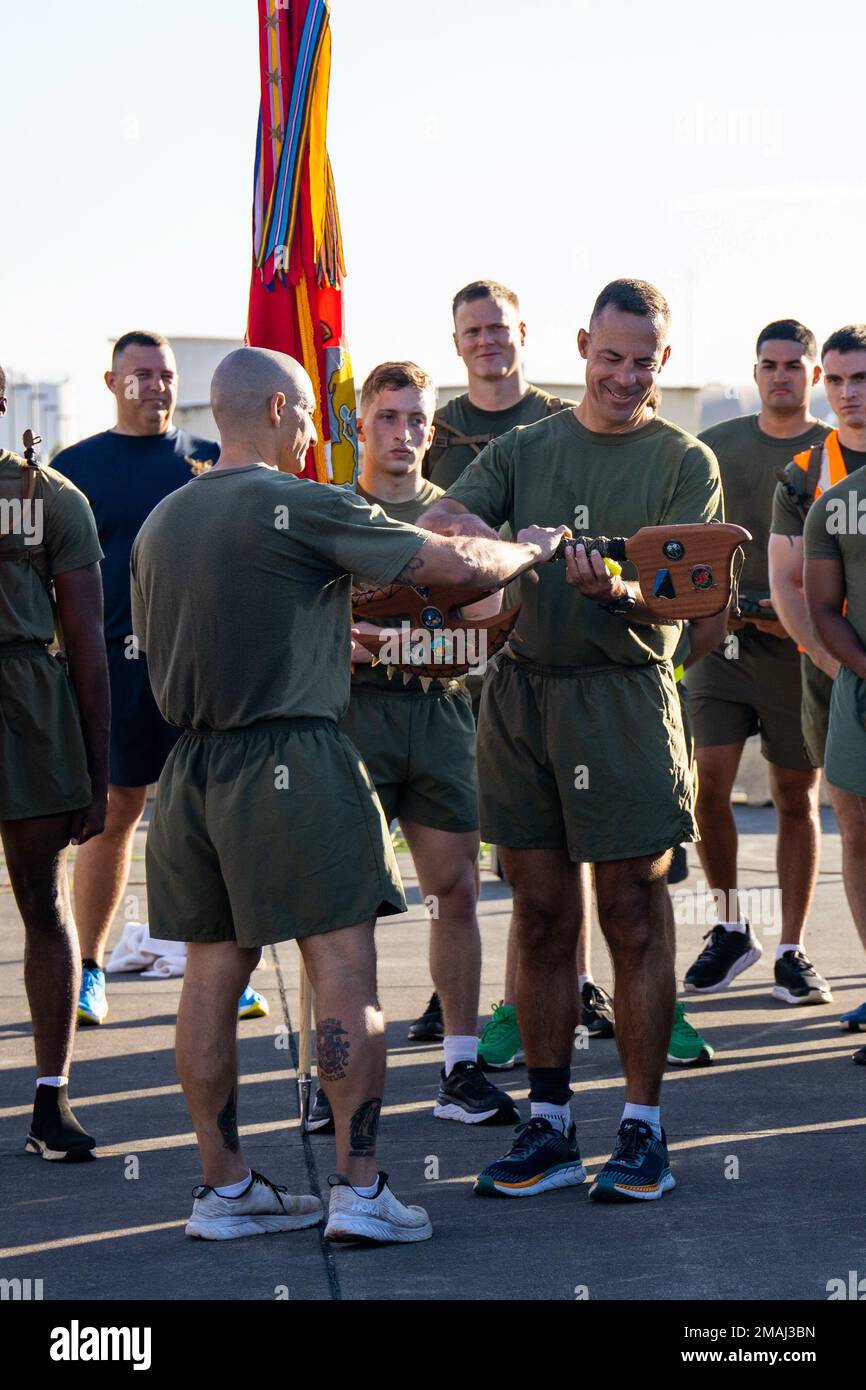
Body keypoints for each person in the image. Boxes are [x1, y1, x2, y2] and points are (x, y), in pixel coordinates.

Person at [130, 345, 567, 1241]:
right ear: (287, 414)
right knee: (344, 966)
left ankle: (223, 1190)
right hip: (294, 758)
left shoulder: (162, 521)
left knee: (212, 976)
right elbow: (450, 572)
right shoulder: (307, 501)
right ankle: (359, 1191)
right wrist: (525, 554)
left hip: (191, 774)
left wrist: (335, 637)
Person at [420, 279, 727, 1201]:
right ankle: (548, 1128)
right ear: (584, 345)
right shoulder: (524, 446)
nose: (626, 376)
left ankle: (642, 1131)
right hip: (523, 700)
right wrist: (510, 547)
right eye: (611, 356)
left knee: (632, 916)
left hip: (626, 700)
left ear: (663, 363)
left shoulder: (686, 461)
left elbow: (694, 604)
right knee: (542, 915)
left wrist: (619, 594)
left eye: (643, 362)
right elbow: (441, 522)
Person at [412, 279, 612, 1054]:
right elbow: (424, 517)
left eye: (498, 327)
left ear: (523, 332)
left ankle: (577, 982)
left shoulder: (565, 421)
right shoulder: (437, 426)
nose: (487, 340)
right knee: (463, 844)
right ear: (456, 342)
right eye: (473, 331)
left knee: (567, 832)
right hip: (455, 653)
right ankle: (456, 996)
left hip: (555, 645)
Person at [53, 333, 264, 1023]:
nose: (155, 385)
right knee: (114, 814)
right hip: (114, 663)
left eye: (166, 375)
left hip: (200, 662)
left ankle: (228, 969)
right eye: (139, 374)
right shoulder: (74, 467)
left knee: (211, 814)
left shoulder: (211, 460)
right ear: (111, 381)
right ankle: (89, 966)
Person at [684, 321, 832, 1005]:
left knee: (795, 797)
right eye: (770, 364)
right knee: (707, 783)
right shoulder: (717, 446)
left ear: (813, 376)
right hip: (722, 642)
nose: (781, 376)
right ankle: (730, 925)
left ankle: (793, 948)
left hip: (798, 648)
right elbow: (689, 535)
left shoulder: (830, 454)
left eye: (793, 365)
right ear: (756, 371)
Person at [0, 360, 110, 1160]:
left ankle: (50, 1099)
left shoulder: (47, 499)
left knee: (43, 898)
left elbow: (88, 645)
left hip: (28, 703)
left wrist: (96, 776)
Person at [776, 324, 866, 1044]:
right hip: (836, 667)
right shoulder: (810, 472)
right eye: (835, 380)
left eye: (860, 378)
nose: (848, 393)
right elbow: (792, 583)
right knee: (853, 829)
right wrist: (841, 666)